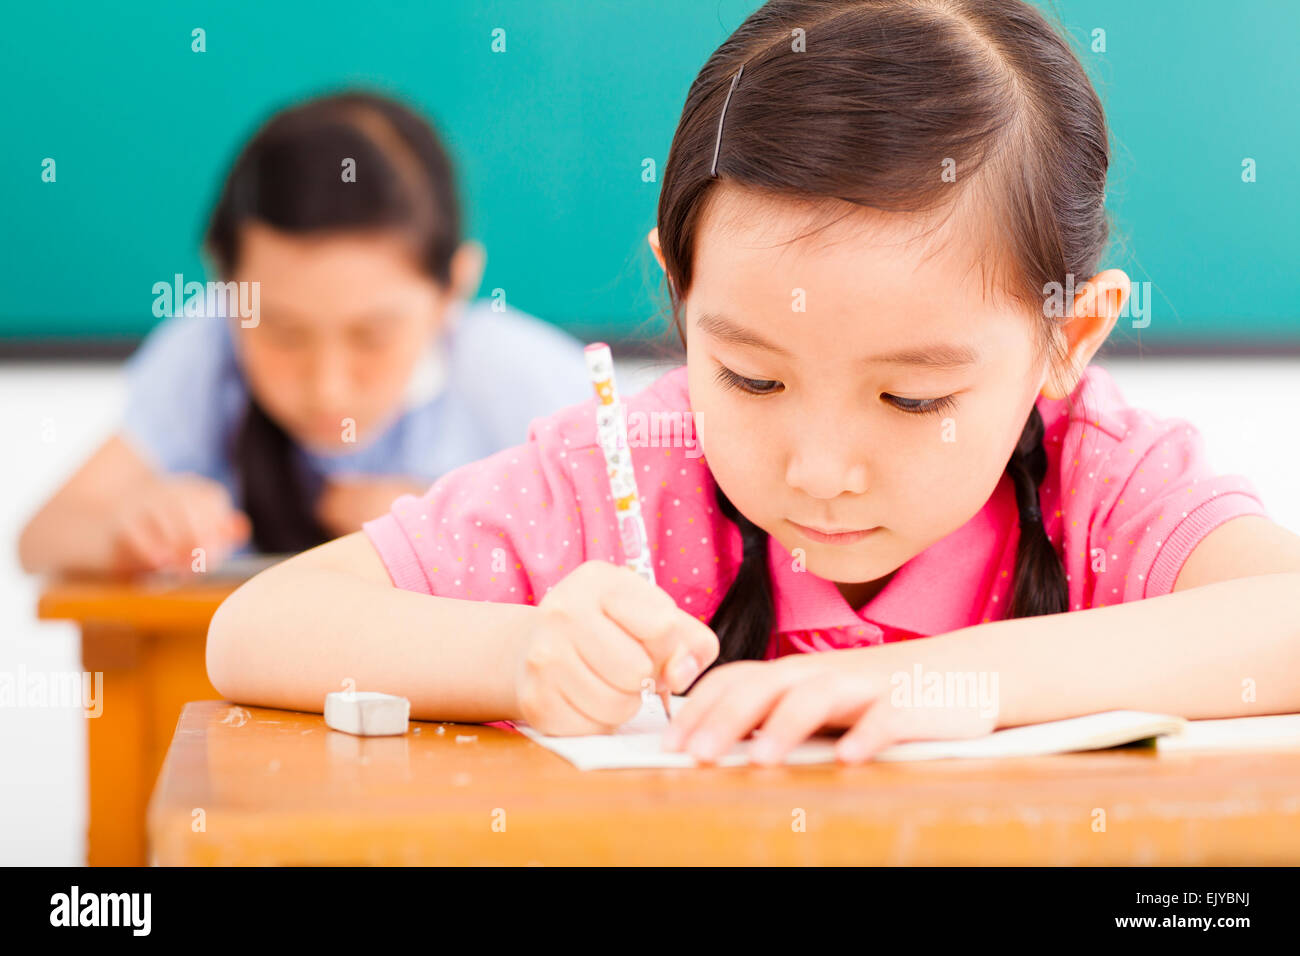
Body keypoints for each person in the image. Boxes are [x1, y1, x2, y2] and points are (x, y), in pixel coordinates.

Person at [206, 1, 1300, 763]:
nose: (818, 470)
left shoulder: (1102, 479)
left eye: (913, 398)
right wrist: (515, 654)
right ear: (678, 291)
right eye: (749, 376)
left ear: (1070, 334)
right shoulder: (627, 472)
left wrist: (938, 683)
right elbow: (257, 627)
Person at [19, 91, 591, 574]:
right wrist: (131, 528)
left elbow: (640, 551)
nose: (328, 388)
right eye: (283, 333)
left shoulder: (529, 382)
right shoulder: (204, 349)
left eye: (372, 336)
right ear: (227, 285)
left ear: (453, 290)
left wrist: (454, 527)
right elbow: (41, 537)